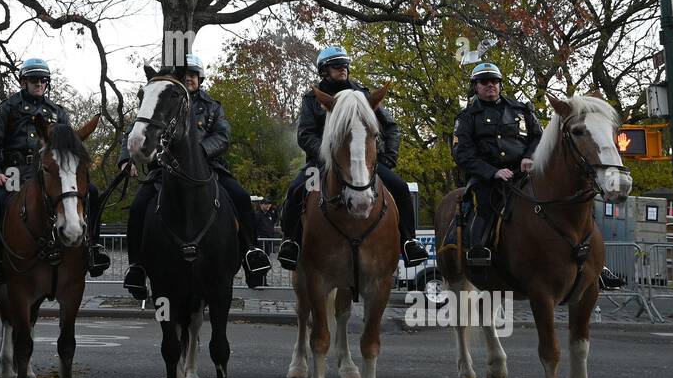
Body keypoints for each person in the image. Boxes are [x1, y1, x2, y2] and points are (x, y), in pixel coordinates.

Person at [120, 54, 273, 299]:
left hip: (209, 168)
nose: (189, 79)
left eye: (193, 75)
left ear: (200, 79)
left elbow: (223, 135)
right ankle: (136, 267)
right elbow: (137, 128)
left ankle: (251, 254)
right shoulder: (163, 99)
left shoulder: (212, 106)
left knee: (242, 198)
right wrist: (126, 158)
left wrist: (200, 152)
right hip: (164, 170)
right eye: (185, 75)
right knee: (138, 207)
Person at [277, 46, 428, 271]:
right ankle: (291, 242)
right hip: (321, 162)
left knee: (400, 187)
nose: (343, 69)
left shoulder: (363, 95)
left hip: (364, 162)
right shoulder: (311, 98)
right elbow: (305, 134)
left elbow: (391, 127)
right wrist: (327, 154)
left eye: (345, 64)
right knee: (296, 189)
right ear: (324, 70)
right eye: (337, 65)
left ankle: (409, 241)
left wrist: (388, 159)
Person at [0, 58, 111, 285]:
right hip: (14, 172)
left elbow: (71, 146)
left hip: (50, 172)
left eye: (43, 80)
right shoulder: (9, 108)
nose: (39, 84)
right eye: (34, 80)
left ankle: (93, 248)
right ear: (23, 82)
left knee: (93, 192)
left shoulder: (58, 112)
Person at [450, 61, 543, 264]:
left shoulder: (522, 110)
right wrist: (493, 172)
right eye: (484, 81)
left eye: (494, 80)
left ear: (500, 84)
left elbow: (539, 137)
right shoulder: (466, 118)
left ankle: (590, 260)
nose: (490, 84)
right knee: (483, 205)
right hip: (487, 178)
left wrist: (530, 156)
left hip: (523, 174)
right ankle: (478, 249)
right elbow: (461, 153)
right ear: (476, 86)